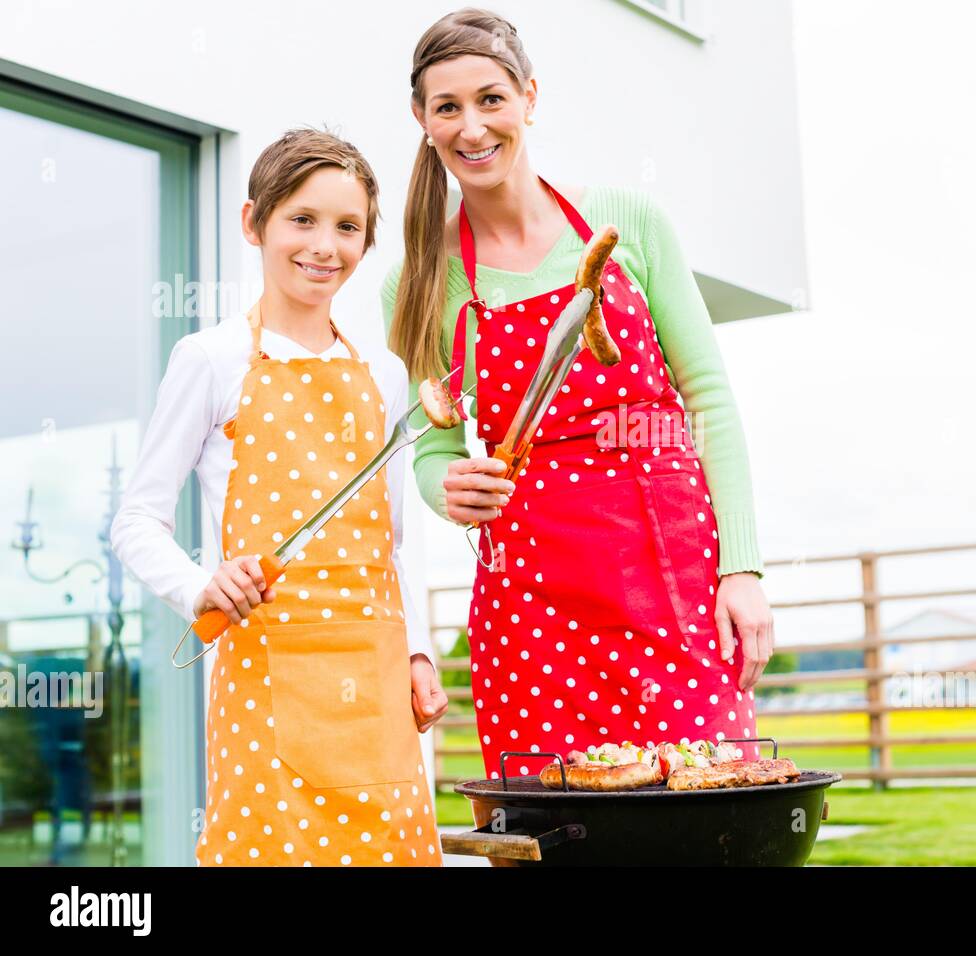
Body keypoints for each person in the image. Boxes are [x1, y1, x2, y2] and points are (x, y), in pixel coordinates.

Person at [382, 8, 775, 777]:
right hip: (532, 605)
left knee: (703, 806)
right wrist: (447, 486)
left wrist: (743, 570)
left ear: (530, 95)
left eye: (491, 98)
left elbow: (709, 402)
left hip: (672, 582)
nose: (472, 126)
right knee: (555, 828)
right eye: (448, 107)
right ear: (422, 120)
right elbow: (428, 445)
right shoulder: (417, 280)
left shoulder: (629, 223)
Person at [111, 129, 447, 866]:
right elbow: (136, 520)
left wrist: (419, 652)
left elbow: (387, 543)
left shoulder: (386, 377)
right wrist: (203, 585)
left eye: (348, 227)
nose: (325, 246)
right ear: (253, 222)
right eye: (303, 219)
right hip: (266, 674)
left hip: (375, 683)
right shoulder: (211, 359)